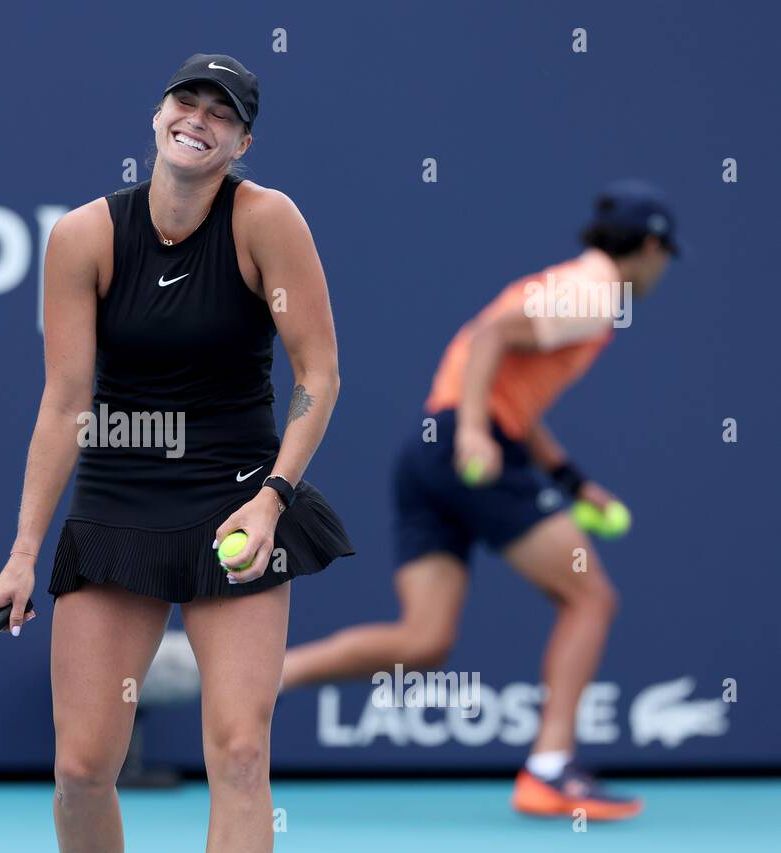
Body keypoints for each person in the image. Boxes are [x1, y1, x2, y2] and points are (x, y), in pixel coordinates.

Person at [0, 53, 353, 853]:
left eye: (222, 113)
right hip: (119, 505)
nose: (199, 119)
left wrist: (274, 498)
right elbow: (66, 401)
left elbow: (318, 374)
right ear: (157, 114)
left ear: (241, 141)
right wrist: (21, 556)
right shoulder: (84, 237)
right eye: (188, 101)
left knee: (242, 754)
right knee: (80, 770)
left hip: (237, 503)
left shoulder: (266, 220)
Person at [278, 180, 678, 820]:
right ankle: (549, 769)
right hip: (469, 449)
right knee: (591, 597)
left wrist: (571, 481)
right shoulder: (596, 294)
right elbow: (491, 337)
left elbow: (513, 394)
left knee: (425, 639)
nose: (663, 269)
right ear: (652, 246)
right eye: (665, 256)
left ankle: (267, 677)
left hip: (429, 452)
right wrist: (472, 432)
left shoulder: (570, 285)